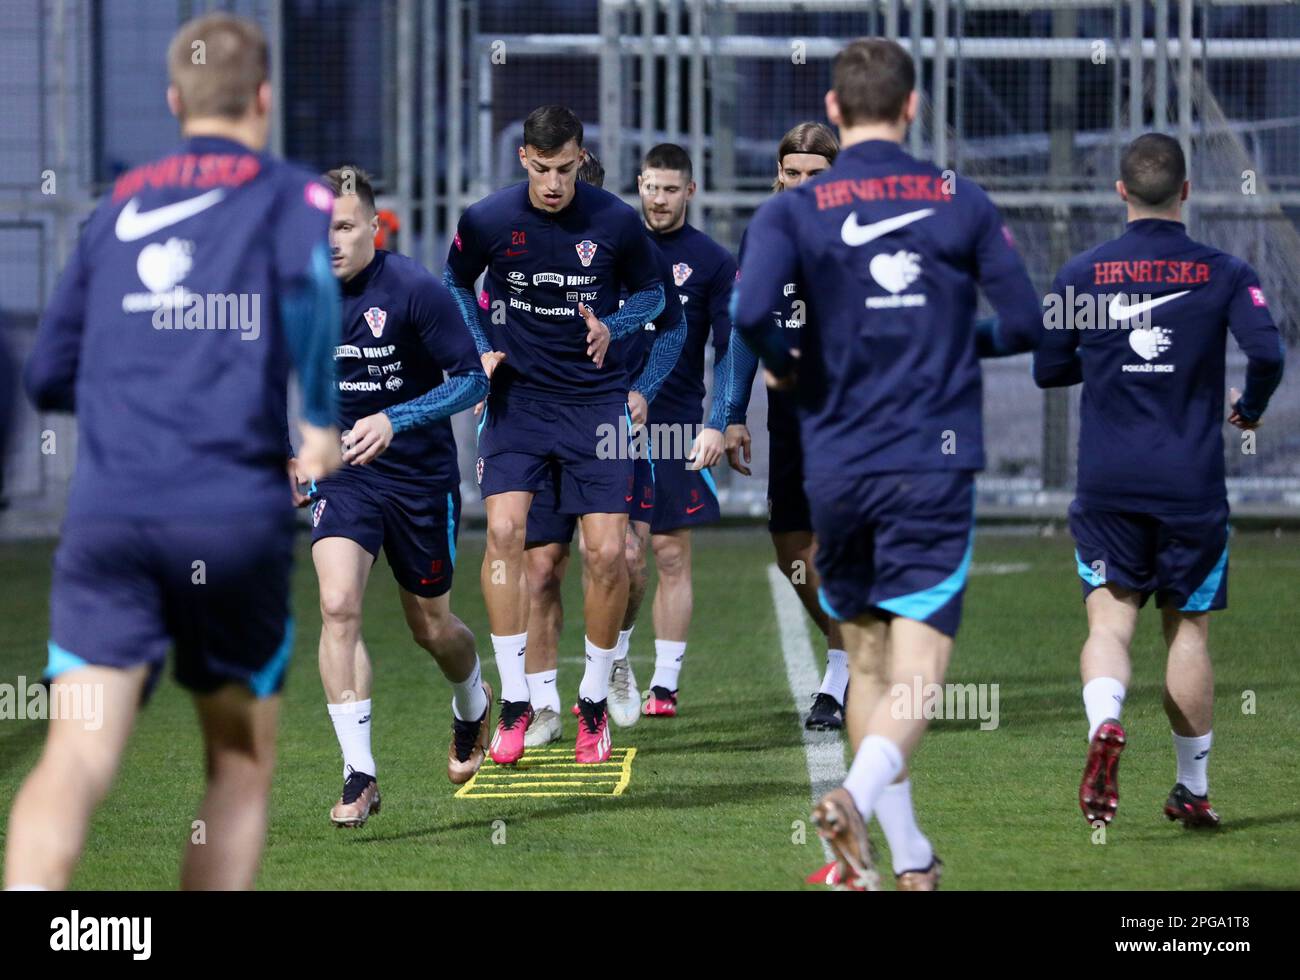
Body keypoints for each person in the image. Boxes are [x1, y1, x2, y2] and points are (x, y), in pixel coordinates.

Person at [5, 13, 342, 890]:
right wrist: (319, 424)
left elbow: (48, 373)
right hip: (229, 520)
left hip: (109, 522)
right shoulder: (290, 195)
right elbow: (312, 289)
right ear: (264, 98)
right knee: (236, 761)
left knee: (75, 755)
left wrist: (136, 394)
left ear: (172, 101)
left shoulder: (118, 206)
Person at [733, 38, 1042, 890]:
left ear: (835, 111)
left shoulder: (793, 209)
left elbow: (751, 309)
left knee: (865, 661)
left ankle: (910, 860)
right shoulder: (958, 199)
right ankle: (854, 797)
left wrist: (789, 363)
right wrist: (954, 337)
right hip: (931, 468)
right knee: (921, 671)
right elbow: (1025, 325)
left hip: (836, 466)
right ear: (912, 108)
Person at [1034, 132, 1285, 830]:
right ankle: (1192, 788)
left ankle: (1105, 723)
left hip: (1110, 481)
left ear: (1121, 192)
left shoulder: (1080, 273)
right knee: (1188, 634)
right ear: (1186, 191)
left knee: (1109, 623)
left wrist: (1113, 359)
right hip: (1192, 484)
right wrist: (1249, 408)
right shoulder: (1225, 272)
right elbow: (1268, 352)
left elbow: (1048, 369)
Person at [443, 106, 665, 764]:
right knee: (507, 535)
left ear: (582, 159)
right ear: (523, 160)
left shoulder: (616, 220)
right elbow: (454, 283)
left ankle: (593, 702)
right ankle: (515, 700)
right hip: (517, 403)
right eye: (541, 169)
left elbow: (654, 297)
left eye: (565, 169)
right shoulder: (487, 219)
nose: (552, 184)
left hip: (595, 407)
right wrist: (478, 348)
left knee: (607, 556)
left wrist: (613, 327)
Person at [290, 166, 489, 827]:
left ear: (375, 226)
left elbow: (470, 383)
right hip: (347, 472)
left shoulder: (413, 289)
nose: (332, 242)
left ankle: (472, 704)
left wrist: (396, 419)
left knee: (430, 627)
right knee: (338, 603)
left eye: (345, 227)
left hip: (420, 477)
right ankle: (359, 773)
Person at [715, 122, 850, 730]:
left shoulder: (864, 233)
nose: (800, 185)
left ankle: (842, 671)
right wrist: (731, 415)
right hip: (791, 416)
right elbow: (747, 326)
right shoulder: (764, 234)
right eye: (791, 173)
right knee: (791, 545)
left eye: (814, 175)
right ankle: (856, 647)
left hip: (856, 415)